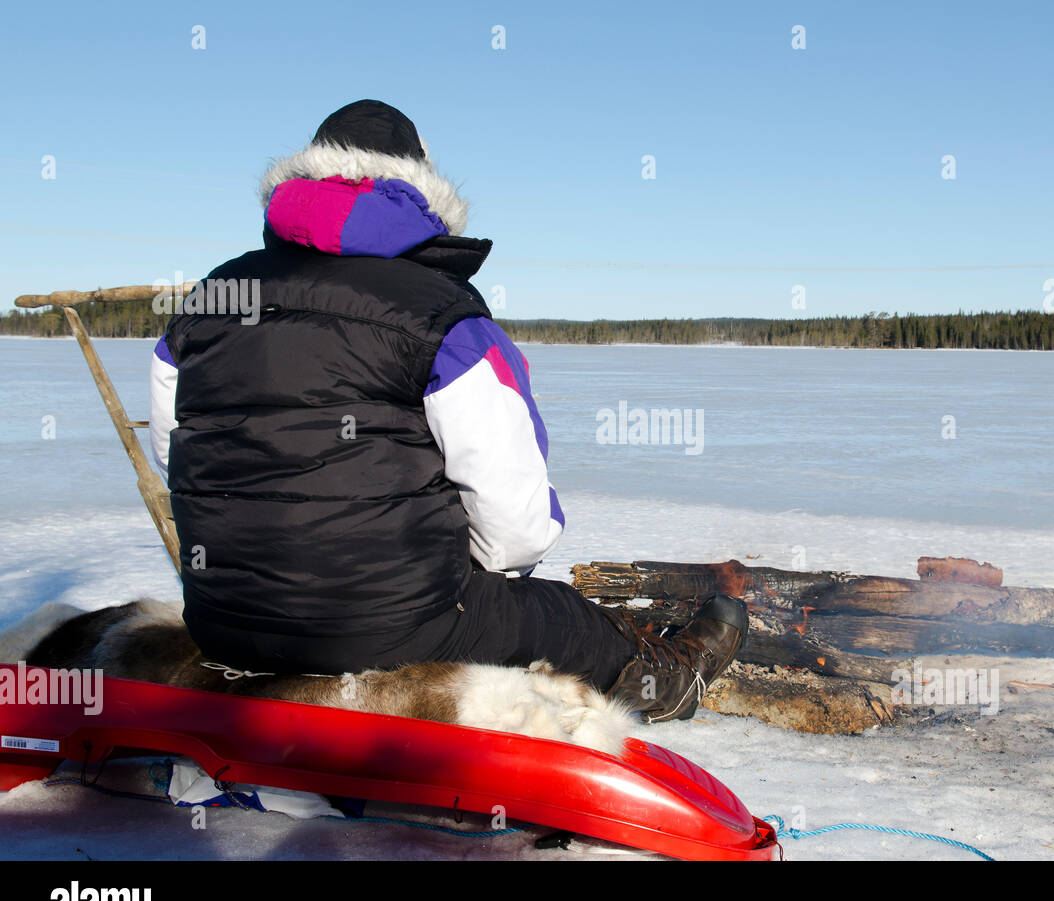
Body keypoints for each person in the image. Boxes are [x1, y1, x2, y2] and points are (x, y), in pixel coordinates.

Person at [147, 99, 746, 722]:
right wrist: (477, 583)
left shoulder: (210, 298)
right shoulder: (441, 312)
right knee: (565, 619)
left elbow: (180, 456)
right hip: (387, 630)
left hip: (225, 621)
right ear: (419, 188)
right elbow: (514, 522)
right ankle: (668, 684)